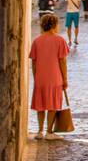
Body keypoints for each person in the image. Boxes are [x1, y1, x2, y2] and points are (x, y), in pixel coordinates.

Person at [29, 12, 68, 140]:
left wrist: (36, 77)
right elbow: (62, 61)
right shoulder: (60, 40)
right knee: (52, 104)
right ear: (54, 25)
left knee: (40, 105)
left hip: (40, 77)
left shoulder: (37, 41)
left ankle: (39, 131)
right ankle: (49, 132)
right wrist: (65, 79)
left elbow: (34, 62)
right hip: (55, 76)